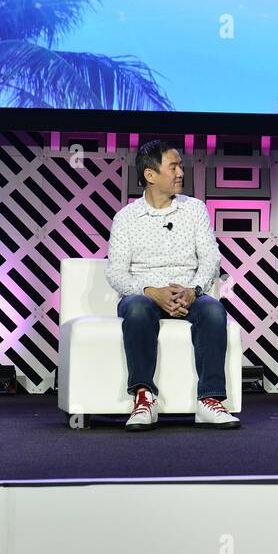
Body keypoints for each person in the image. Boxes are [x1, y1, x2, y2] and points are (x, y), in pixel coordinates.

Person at [106, 139, 239, 430]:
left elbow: (210, 259)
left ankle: (210, 401)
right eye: (173, 166)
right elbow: (116, 273)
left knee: (214, 311)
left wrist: (193, 291)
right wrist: (152, 292)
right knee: (137, 310)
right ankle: (143, 398)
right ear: (150, 175)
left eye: (180, 166)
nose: (181, 172)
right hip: (143, 294)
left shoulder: (195, 209)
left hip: (188, 293)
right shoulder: (126, 218)